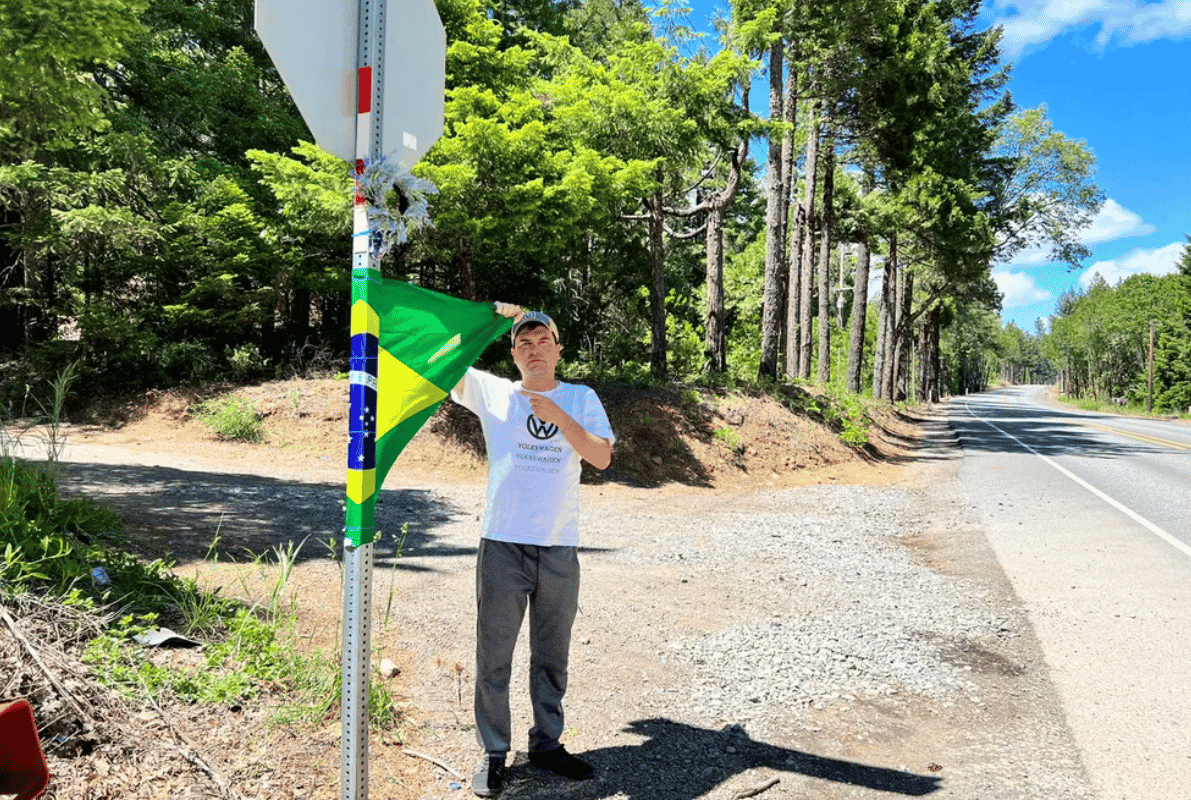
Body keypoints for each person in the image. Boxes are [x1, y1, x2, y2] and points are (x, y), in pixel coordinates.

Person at [450, 305, 615, 798]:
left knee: (552, 655)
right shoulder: (495, 392)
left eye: (543, 339)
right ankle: (493, 753)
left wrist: (559, 415)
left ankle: (546, 744)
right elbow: (448, 362)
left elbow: (603, 457)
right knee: (494, 654)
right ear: (514, 353)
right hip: (502, 542)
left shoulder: (581, 398)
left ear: (559, 348)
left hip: (559, 545)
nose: (533, 347)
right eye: (523, 342)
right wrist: (492, 320)